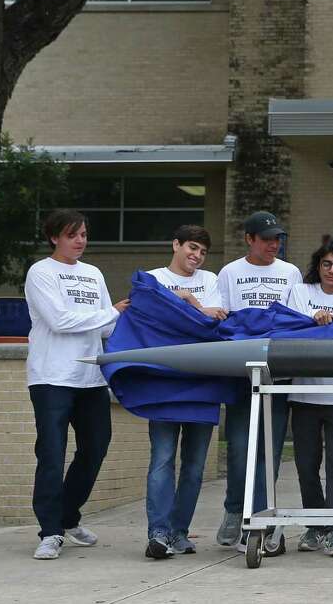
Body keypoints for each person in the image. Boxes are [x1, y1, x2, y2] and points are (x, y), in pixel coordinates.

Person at [26, 209, 129, 560]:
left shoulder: (93, 273)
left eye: (84, 234)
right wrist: (112, 312)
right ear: (55, 237)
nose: (81, 241)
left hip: (91, 376)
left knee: (95, 449)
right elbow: (59, 320)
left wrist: (123, 317)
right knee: (51, 454)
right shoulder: (41, 272)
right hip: (52, 376)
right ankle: (50, 531)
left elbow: (105, 328)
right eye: (73, 235)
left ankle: (68, 517)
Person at [214, 211, 302, 555]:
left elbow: (297, 320)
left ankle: (262, 518)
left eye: (277, 238)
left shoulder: (290, 273)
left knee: (270, 452)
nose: (273, 244)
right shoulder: (230, 273)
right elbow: (222, 319)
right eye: (266, 239)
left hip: (277, 373)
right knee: (239, 450)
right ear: (249, 239)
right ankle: (235, 510)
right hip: (240, 375)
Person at [144, 225, 226, 559]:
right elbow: (151, 319)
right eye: (191, 247)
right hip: (164, 382)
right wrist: (195, 309)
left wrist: (187, 300)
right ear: (175, 244)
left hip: (203, 382)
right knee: (162, 460)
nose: (196, 256)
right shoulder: (152, 278)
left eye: (202, 252)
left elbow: (214, 323)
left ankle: (178, 533)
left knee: (194, 466)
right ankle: (158, 532)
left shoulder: (211, 281)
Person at [285, 240, 333, 558]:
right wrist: (311, 319)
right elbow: (288, 328)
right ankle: (315, 526)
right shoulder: (301, 293)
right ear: (318, 266)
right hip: (304, 393)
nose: (331, 270)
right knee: (306, 464)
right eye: (326, 264)